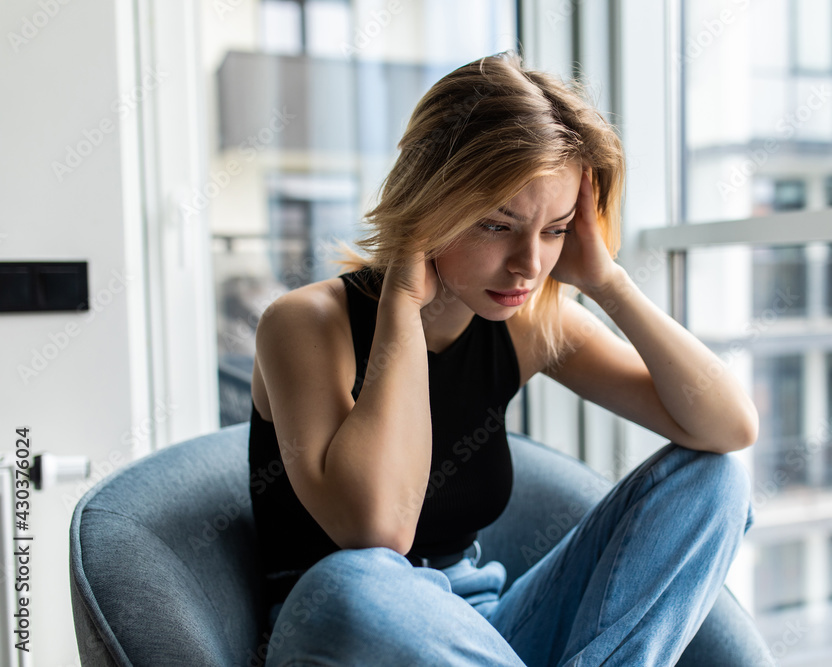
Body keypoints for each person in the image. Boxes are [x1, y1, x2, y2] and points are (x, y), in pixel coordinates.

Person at [248, 51, 774, 666]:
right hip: (352, 634)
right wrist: (402, 308)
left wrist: (607, 281)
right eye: (497, 225)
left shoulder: (529, 326)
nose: (529, 265)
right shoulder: (306, 325)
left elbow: (729, 426)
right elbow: (377, 530)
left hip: (488, 635)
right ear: (428, 203)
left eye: (555, 230)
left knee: (714, 479)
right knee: (351, 584)